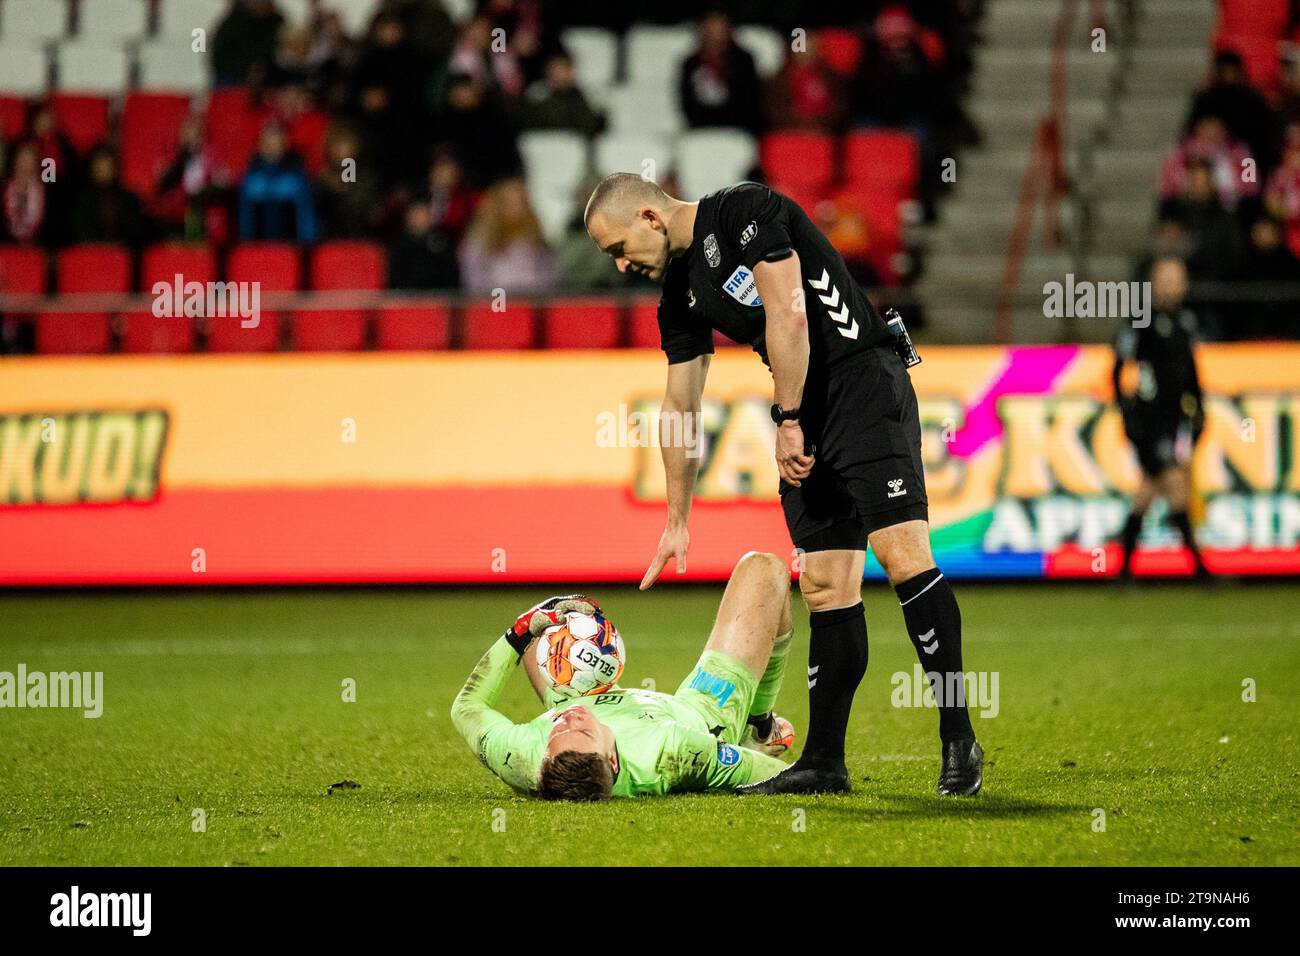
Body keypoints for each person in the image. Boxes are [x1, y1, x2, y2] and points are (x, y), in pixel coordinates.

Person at [583, 173, 983, 797]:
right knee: (824, 582)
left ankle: (959, 738)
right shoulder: (680, 295)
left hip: (861, 381)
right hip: (804, 407)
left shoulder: (745, 209)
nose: (620, 264)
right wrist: (676, 518)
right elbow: (680, 407)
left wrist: (787, 418)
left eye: (618, 247)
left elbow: (789, 312)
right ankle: (825, 762)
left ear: (650, 217)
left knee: (901, 552)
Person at [451, 552, 798, 800]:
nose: (569, 719)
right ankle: (759, 726)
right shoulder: (673, 753)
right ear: (613, 758)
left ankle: (540, 627)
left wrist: (520, 629)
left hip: (585, 693)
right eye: (583, 730)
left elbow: (466, 707)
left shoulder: (520, 756)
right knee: (765, 570)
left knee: (543, 632)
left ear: (542, 760)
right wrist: (803, 771)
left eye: (557, 730)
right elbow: (777, 775)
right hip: (700, 709)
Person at [1112, 256, 1210, 581]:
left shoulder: (1186, 321)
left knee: (1147, 492)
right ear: (1154, 282)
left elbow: (1190, 371)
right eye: (1167, 277)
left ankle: (1124, 570)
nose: (1173, 284)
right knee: (1175, 486)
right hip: (1151, 422)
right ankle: (1199, 570)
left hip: (1173, 420)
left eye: (1178, 278)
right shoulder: (1142, 321)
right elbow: (1119, 367)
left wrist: (1199, 409)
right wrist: (1126, 411)